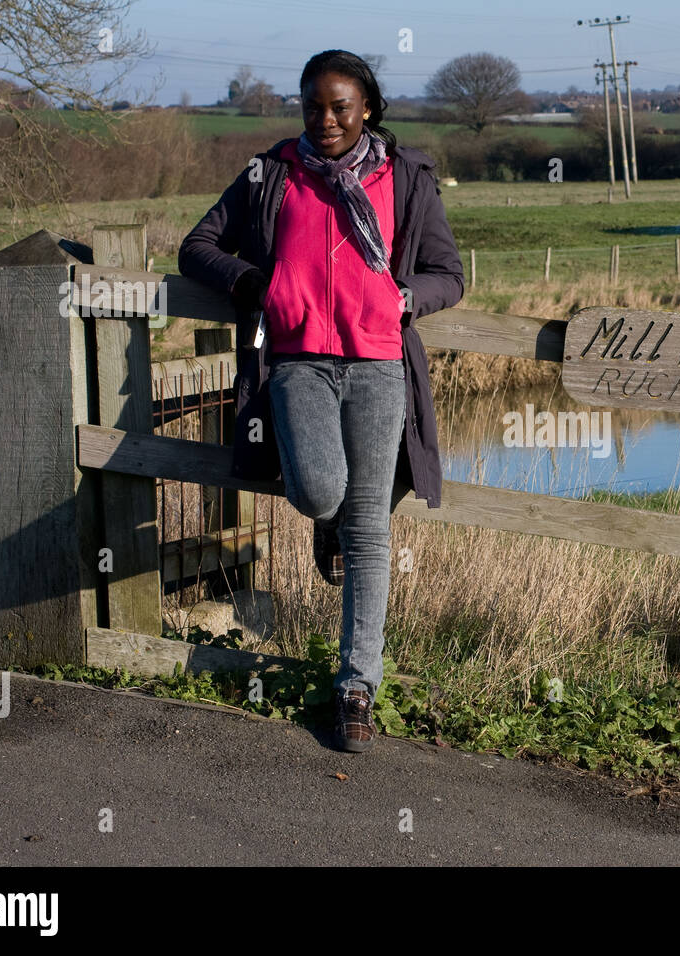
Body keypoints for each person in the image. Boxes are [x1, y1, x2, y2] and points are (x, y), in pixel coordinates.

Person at [178, 49, 464, 753]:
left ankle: (356, 689)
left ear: (366, 105)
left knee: (371, 530)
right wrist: (256, 286)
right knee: (315, 488)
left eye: (340, 106)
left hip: (377, 365)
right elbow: (197, 247)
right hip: (298, 361)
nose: (326, 119)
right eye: (314, 105)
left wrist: (407, 297)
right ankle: (323, 521)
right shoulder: (270, 171)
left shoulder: (408, 176)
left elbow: (448, 275)